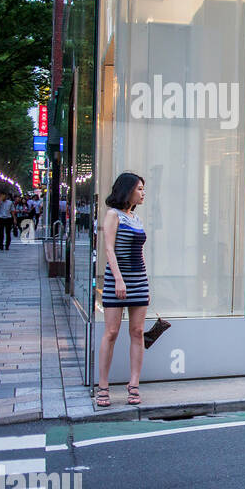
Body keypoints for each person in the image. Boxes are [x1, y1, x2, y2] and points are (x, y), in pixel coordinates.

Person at [95, 173, 149, 408]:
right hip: (116, 279)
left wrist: (145, 280)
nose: (143, 193)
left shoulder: (136, 218)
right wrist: (118, 279)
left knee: (137, 332)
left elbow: (140, 252)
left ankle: (134, 383)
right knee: (112, 332)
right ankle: (103, 385)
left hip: (138, 280)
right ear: (127, 190)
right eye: (139, 189)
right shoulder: (112, 215)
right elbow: (109, 249)